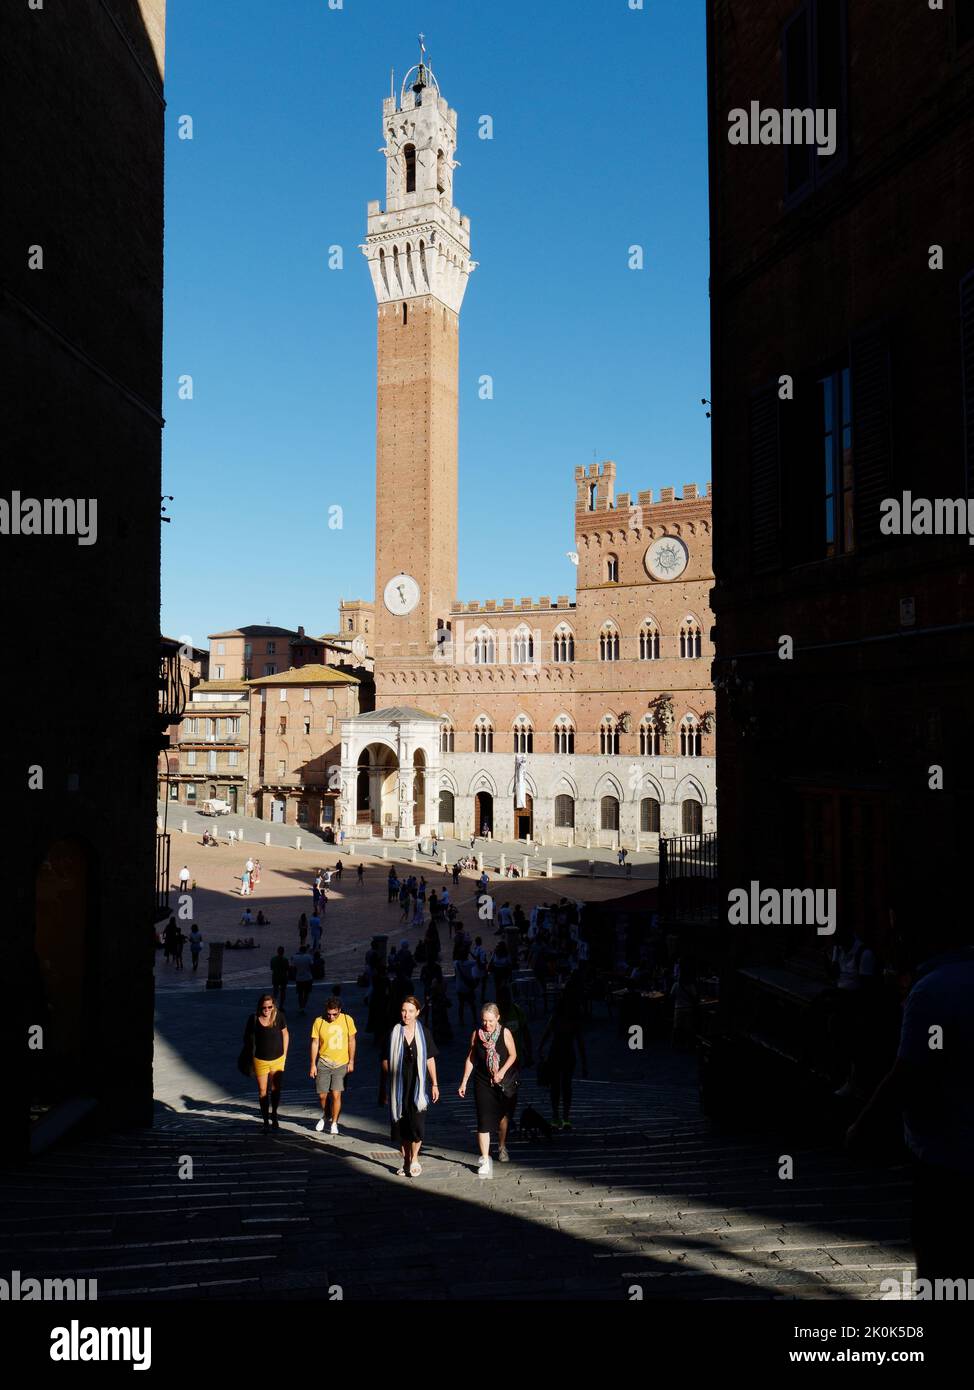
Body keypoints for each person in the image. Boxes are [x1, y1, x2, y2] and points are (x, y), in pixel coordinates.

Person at [847, 922, 974, 1283]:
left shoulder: (932, 990)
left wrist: (861, 1126)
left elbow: (909, 1071)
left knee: (941, 1260)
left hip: (946, 1153)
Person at [459, 1001, 518, 1176]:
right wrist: (463, 1082)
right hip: (483, 1080)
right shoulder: (477, 1035)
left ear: (498, 1018)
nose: (487, 1025)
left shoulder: (505, 1033)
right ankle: (485, 1159)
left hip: (502, 1080)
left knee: (502, 1117)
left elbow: (513, 1054)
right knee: (483, 1119)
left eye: (491, 1021)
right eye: (484, 1021)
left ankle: (501, 1145)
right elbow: (471, 1058)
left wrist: (501, 1071)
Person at [383, 996, 439, 1177]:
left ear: (417, 1013)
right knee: (401, 1125)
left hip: (419, 1087)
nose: (406, 1015)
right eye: (403, 1010)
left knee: (417, 1124)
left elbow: (430, 1059)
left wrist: (435, 1084)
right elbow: (384, 1059)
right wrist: (385, 1084)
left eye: (410, 1011)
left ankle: (414, 1158)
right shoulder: (393, 1032)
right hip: (398, 1087)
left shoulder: (425, 1033)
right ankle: (406, 1160)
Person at [538, 986, 588, 1131]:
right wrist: (584, 1063)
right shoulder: (570, 1019)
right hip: (564, 1054)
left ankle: (559, 1117)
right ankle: (563, 1117)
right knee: (563, 1087)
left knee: (559, 1087)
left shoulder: (558, 1018)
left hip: (558, 1054)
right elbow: (580, 1043)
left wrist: (540, 1048)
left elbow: (547, 1034)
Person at [310, 997, 357, 1135]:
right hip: (323, 1062)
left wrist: (351, 1061)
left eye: (334, 1014)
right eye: (329, 1014)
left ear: (339, 1011)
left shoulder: (348, 1020)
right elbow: (315, 1043)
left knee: (336, 1094)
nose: (331, 1017)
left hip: (341, 1063)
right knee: (323, 1096)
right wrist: (312, 1064)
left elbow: (352, 1041)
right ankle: (326, 1115)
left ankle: (334, 1122)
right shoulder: (319, 1021)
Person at [242, 993, 289, 1132]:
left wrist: (285, 1055)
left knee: (275, 1089)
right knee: (262, 1091)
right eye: (264, 1007)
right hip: (260, 1059)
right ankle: (265, 1120)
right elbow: (247, 1037)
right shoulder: (254, 1018)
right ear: (260, 1007)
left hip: (278, 1059)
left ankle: (274, 1114)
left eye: (270, 1007)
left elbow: (285, 1034)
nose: (267, 1010)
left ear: (273, 1006)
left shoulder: (279, 1016)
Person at [454, 951, 478, 1027]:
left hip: (459, 987)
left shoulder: (456, 963)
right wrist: (471, 952)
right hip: (468, 987)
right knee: (472, 1004)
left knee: (461, 1005)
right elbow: (478, 960)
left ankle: (461, 1021)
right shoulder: (470, 963)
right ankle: (475, 1019)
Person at [291, 945, 314, 1014]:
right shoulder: (309, 957)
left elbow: (293, 968)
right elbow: (312, 966)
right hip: (308, 977)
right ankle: (303, 1006)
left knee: (300, 993)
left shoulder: (295, 957)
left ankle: (301, 1007)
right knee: (306, 993)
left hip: (299, 978)